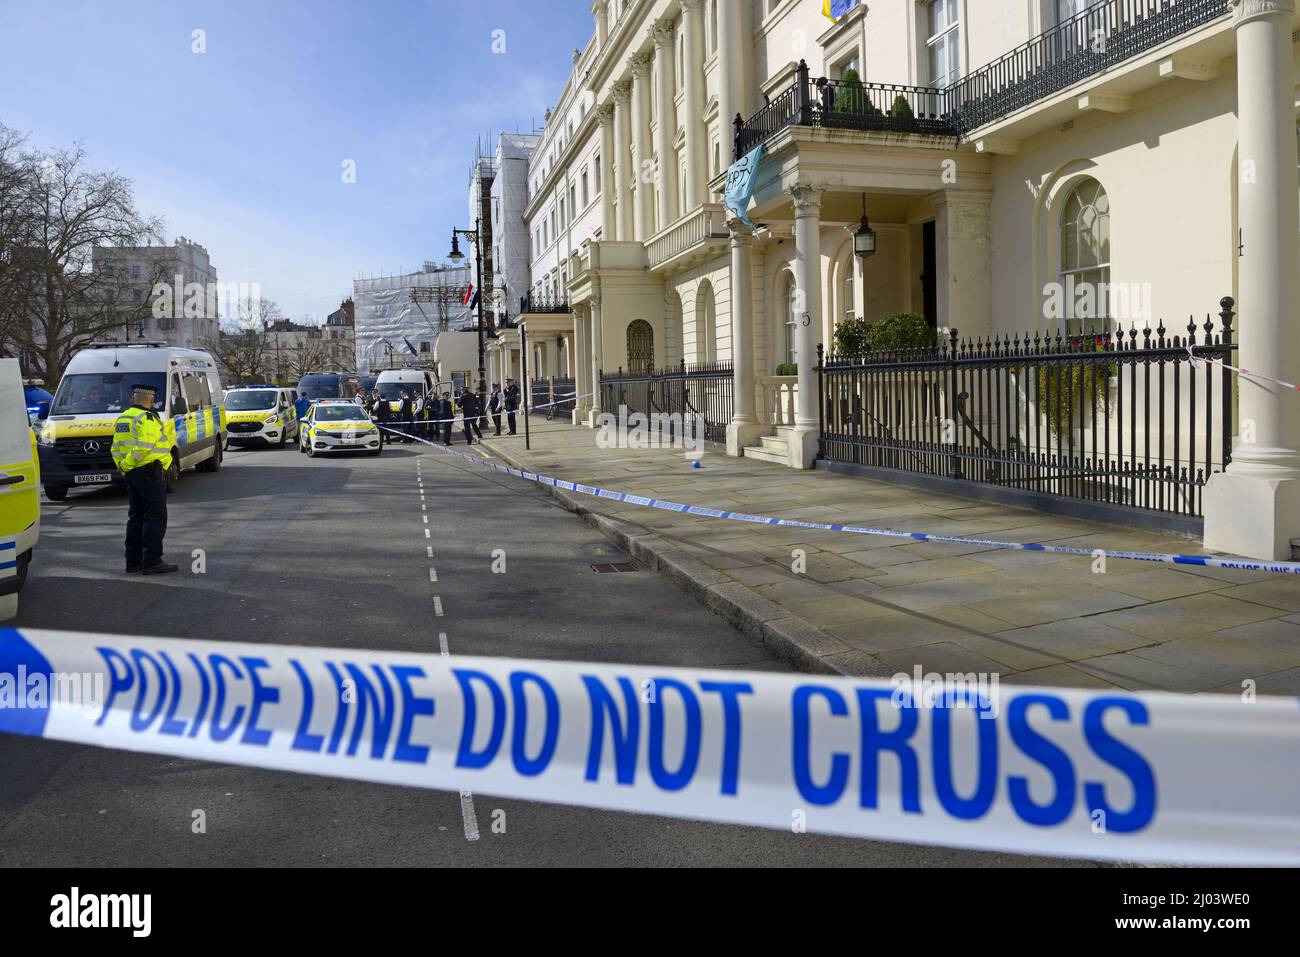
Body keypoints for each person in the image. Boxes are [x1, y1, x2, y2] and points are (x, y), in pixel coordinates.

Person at [110, 383, 178, 576]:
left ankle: (133, 561)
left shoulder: (124, 417)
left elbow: (115, 447)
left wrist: (123, 466)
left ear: (133, 399)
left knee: (136, 517)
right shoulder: (147, 418)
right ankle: (152, 561)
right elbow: (143, 447)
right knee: (155, 517)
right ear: (150, 400)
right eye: (153, 400)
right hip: (148, 473)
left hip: (132, 474)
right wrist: (130, 464)